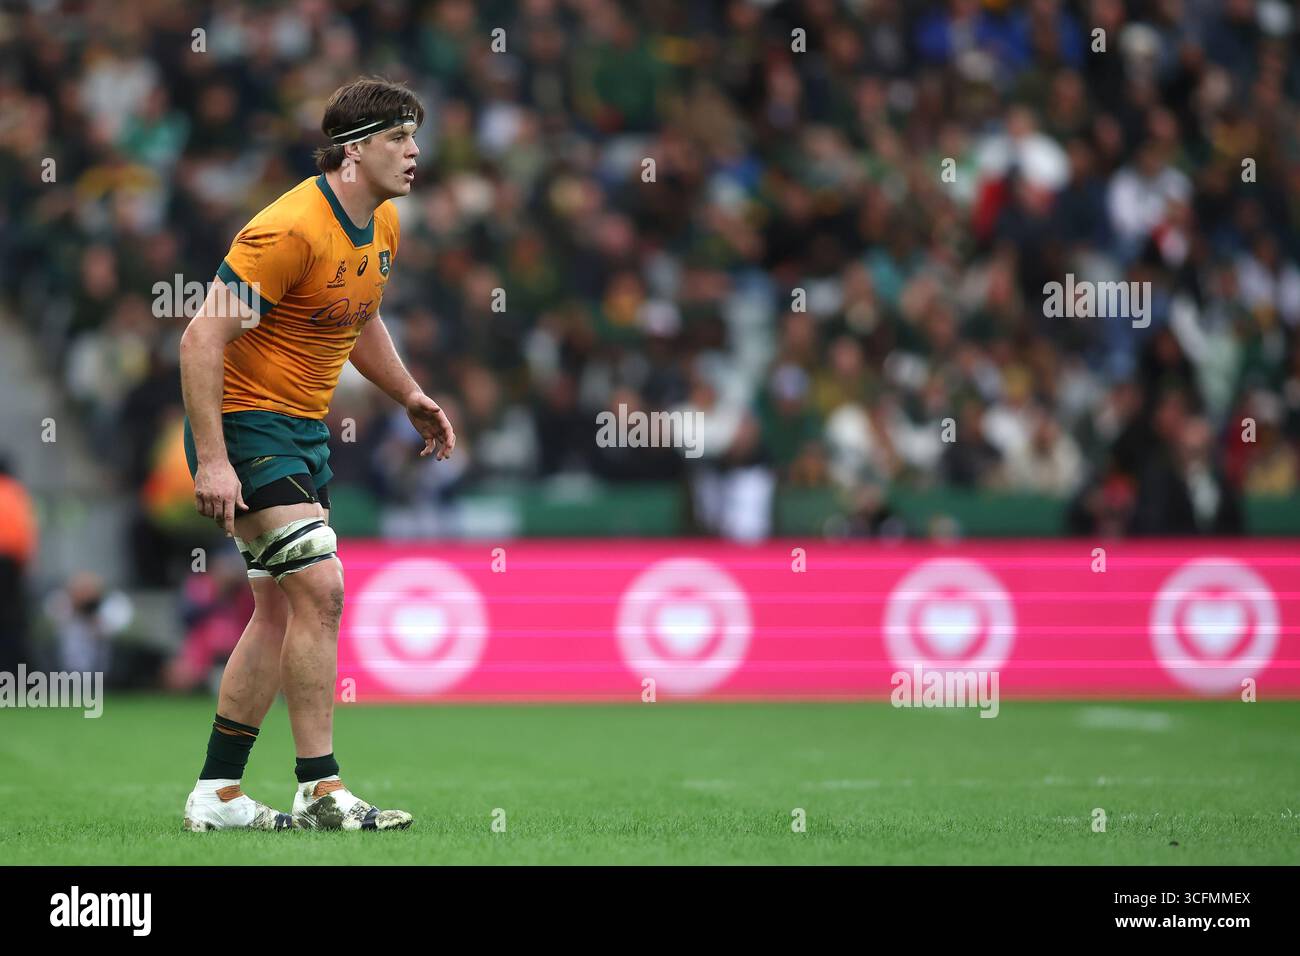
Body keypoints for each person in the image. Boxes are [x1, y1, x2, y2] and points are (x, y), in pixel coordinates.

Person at [177, 77, 456, 832]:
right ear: (356, 148)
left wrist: (409, 395)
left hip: (301, 429)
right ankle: (320, 787)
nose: (414, 152)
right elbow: (201, 335)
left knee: (278, 608)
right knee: (323, 587)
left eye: (414, 137)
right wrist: (211, 459)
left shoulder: (384, 224)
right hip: (245, 426)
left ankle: (218, 793)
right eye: (399, 137)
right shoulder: (290, 227)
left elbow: (357, 316)